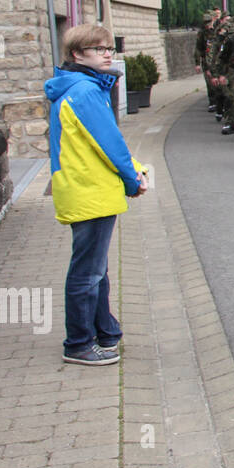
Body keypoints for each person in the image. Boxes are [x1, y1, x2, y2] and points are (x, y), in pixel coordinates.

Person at [46, 24, 147, 366]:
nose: (108, 54)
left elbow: (104, 143)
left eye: (109, 48)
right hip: (89, 190)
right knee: (88, 272)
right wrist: (132, 179)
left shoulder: (79, 88)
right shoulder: (86, 92)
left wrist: (135, 170)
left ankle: (105, 331)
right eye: (98, 49)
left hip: (87, 188)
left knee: (95, 269)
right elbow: (109, 144)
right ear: (78, 54)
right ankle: (78, 342)